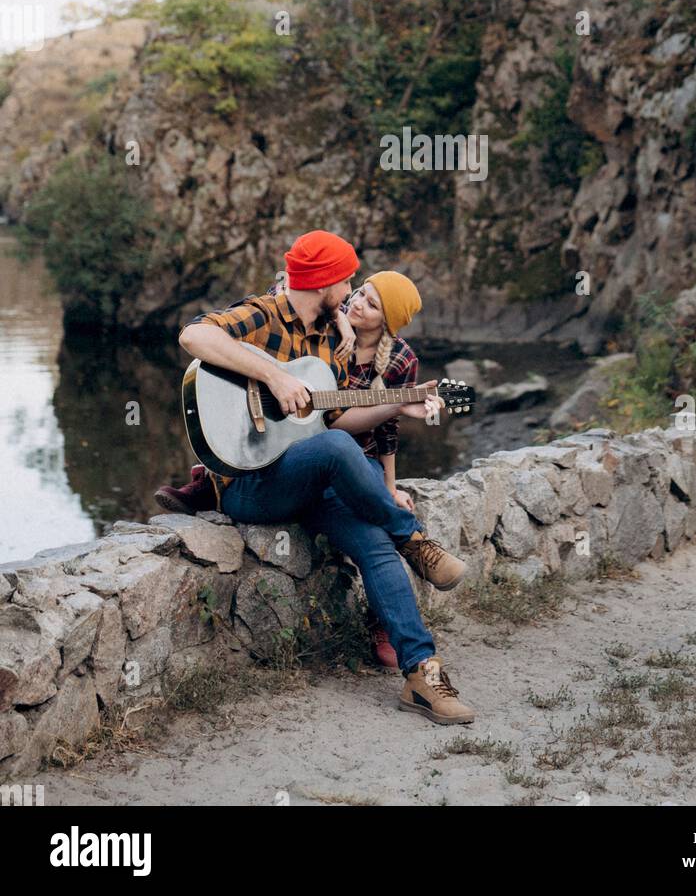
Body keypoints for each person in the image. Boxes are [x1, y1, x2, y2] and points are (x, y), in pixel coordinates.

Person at [163, 230, 475, 725]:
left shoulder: (331, 337)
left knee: (372, 540)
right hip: (247, 486)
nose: (351, 288)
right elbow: (193, 335)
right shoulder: (265, 312)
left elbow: (329, 423)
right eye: (347, 278)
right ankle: (413, 539)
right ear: (328, 280)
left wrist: (397, 403)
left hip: (301, 475)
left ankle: (422, 675)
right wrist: (273, 376)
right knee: (338, 455)